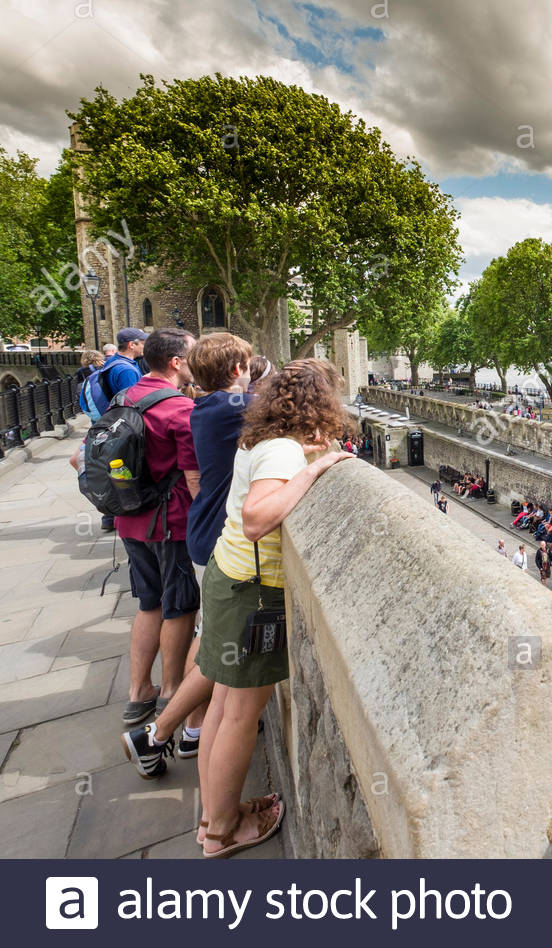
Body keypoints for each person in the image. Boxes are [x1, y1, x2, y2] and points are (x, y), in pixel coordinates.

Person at [195, 358, 354, 858]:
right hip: (251, 593)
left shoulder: (264, 439)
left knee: (221, 707)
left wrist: (301, 459)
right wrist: (319, 467)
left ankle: (212, 816)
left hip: (227, 576)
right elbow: (257, 517)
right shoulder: (284, 450)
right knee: (241, 715)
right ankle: (223, 832)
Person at [122, 332, 256, 779]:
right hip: (205, 535)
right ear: (238, 370)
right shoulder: (223, 408)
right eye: (248, 365)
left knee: (201, 628)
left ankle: (187, 725)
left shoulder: (192, 405)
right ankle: (157, 732)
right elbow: (287, 404)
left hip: (177, 529)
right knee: (214, 640)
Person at [115, 329, 202, 728]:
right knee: (179, 605)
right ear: (175, 362)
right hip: (170, 524)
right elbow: (193, 478)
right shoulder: (179, 408)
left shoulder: (125, 397)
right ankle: (169, 694)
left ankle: (137, 694)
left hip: (129, 519)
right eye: (192, 354)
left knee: (148, 603)